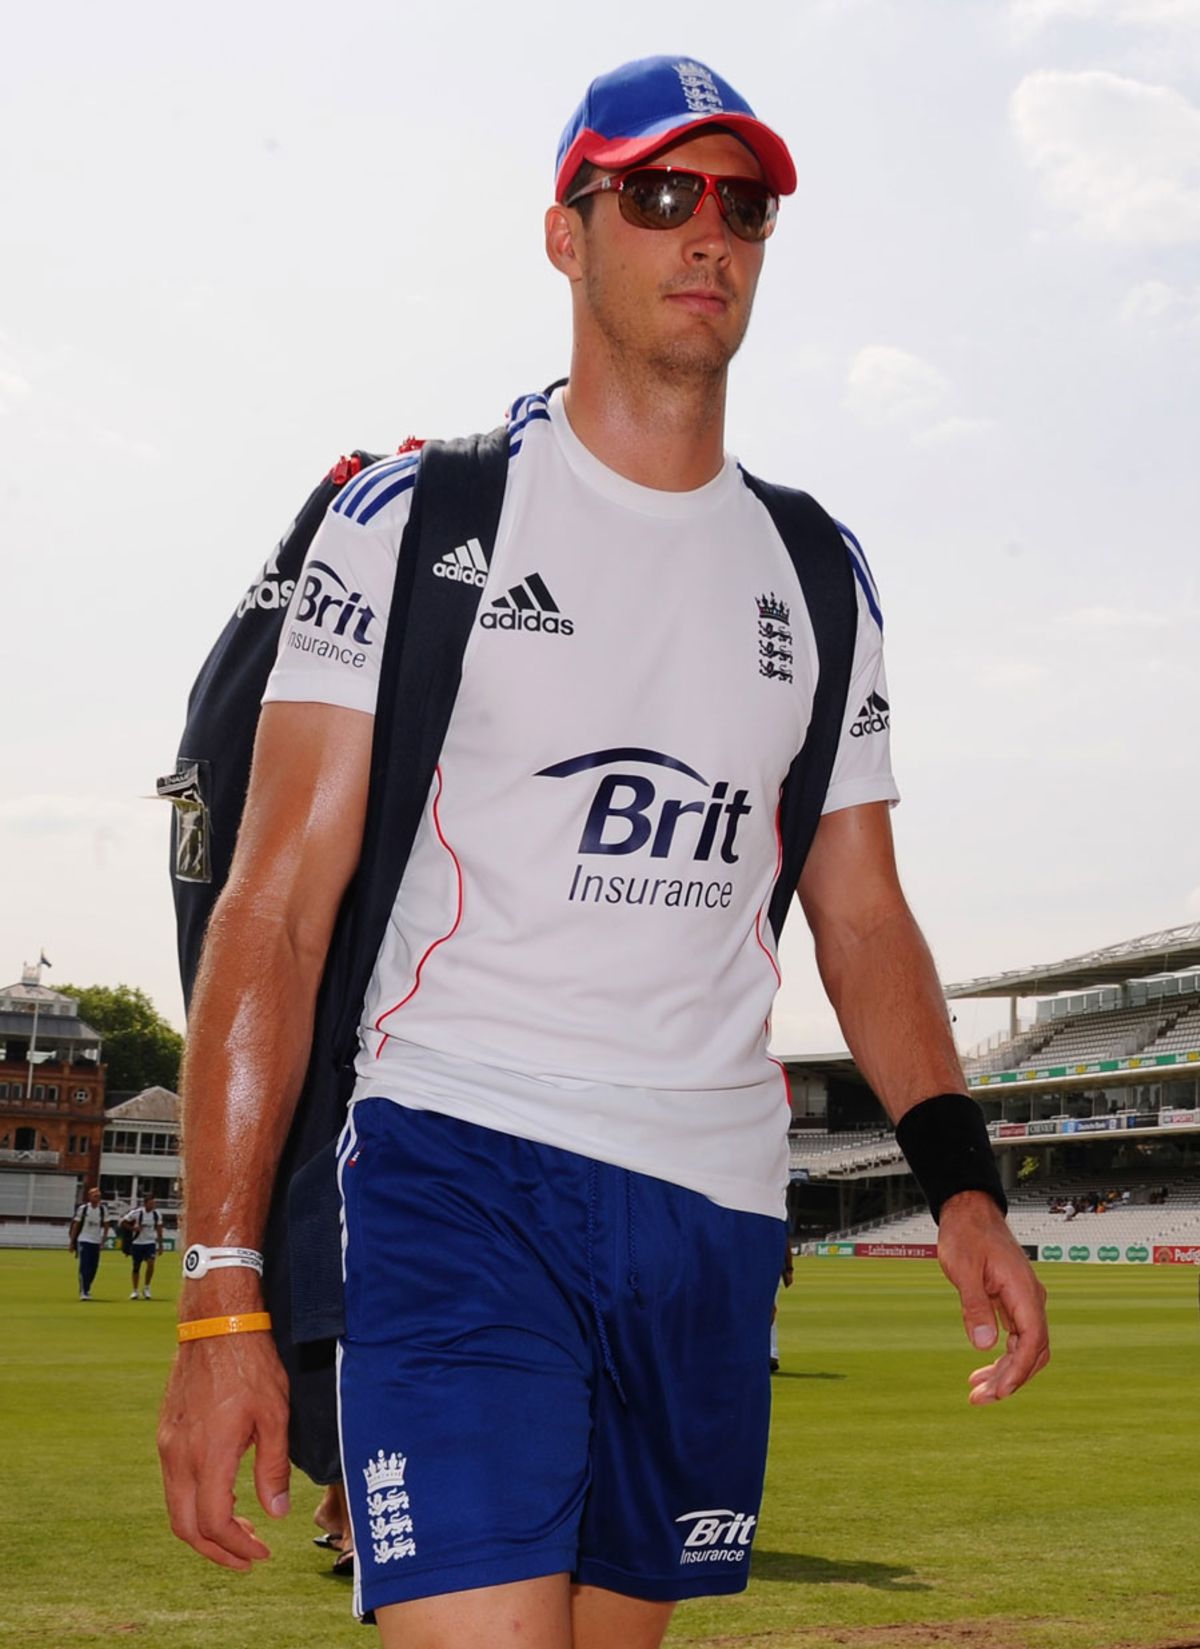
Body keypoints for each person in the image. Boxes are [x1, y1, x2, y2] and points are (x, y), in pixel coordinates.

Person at [158, 54, 1050, 1648]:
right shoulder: (415, 522)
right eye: (658, 192)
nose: (707, 231)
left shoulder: (817, 569)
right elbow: (273, 911)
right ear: (566, 232)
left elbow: (862, 916)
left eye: (742, 203)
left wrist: (966, 1190)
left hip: (710, 1216)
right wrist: (223, 1287)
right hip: (459, 1171)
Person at [69, 1186, 110, 1300]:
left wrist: (103, 1240)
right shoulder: (83, 1209)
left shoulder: (103, 1209)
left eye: (99, 1196)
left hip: (96, 1241)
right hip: (84, 1240)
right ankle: (83, 1291)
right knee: (84, 1266)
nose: (97, 1198)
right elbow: (76, 1225)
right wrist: (72, 1242)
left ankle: (87, 1288)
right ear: (90, 1196)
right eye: (95, 1196)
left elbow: (106, 1225)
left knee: (93, 1267)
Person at [121, 1193, 165, 1298]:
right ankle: (135, 1290)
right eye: (151, 1203)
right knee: (136, 1267)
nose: (153, 1205)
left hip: (150, 1243)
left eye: (154, 1203)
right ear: (145, 1204)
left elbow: (159, 1229)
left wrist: (160, 1245)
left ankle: (147, 1287)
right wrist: (133, 1229)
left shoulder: (156, 1214)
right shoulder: (136, 1213)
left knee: (151, 1264)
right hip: (137, 1243)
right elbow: (123, 1222)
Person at [769, 1232, 795, 1373]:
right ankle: (770, 1354)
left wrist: (789, 1270)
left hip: (769, 1270)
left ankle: (770, 1354)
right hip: (762, 1269)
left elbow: (785, 1241)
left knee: (768, 1312)